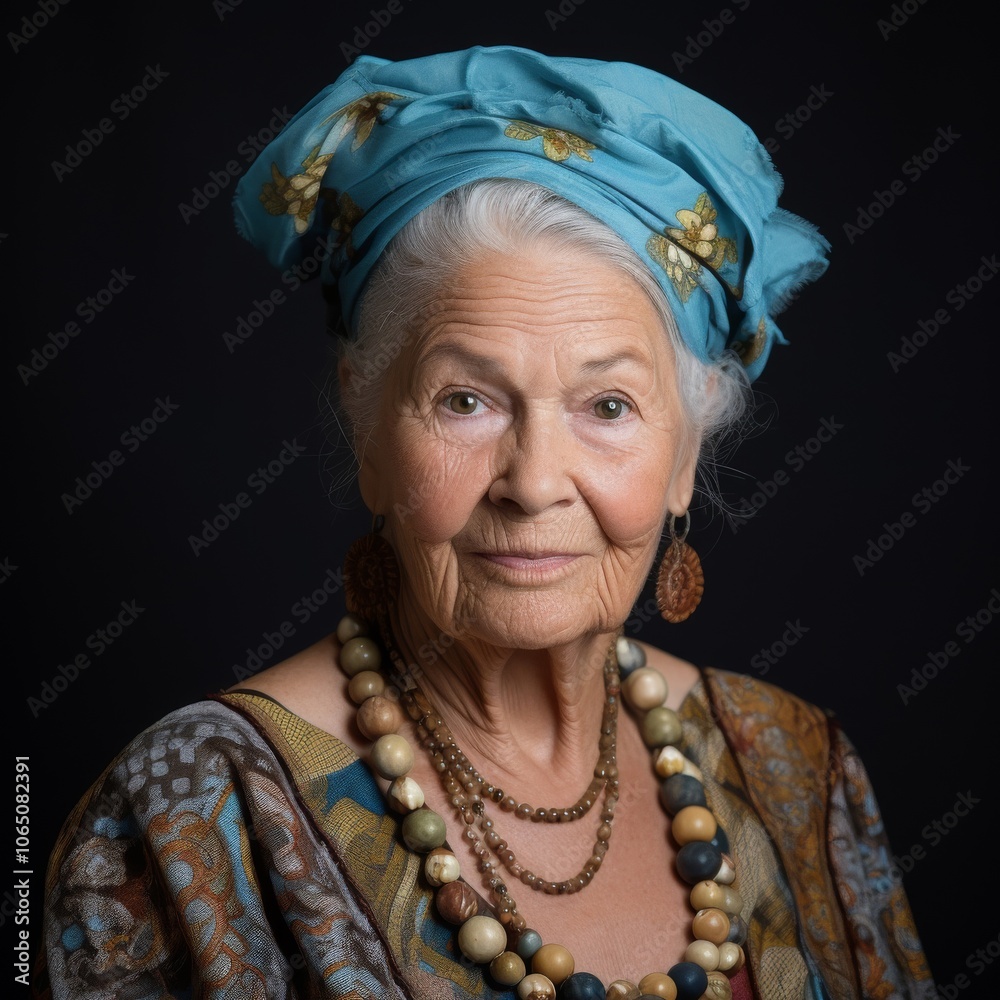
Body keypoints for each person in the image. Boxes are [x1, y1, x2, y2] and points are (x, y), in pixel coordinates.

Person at [33, 45, 933, 1000]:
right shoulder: (193, 813)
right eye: (467, 401)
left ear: (685, 460)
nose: (534, 482)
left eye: (610, 406)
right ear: (366, 421)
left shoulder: (802, 765)